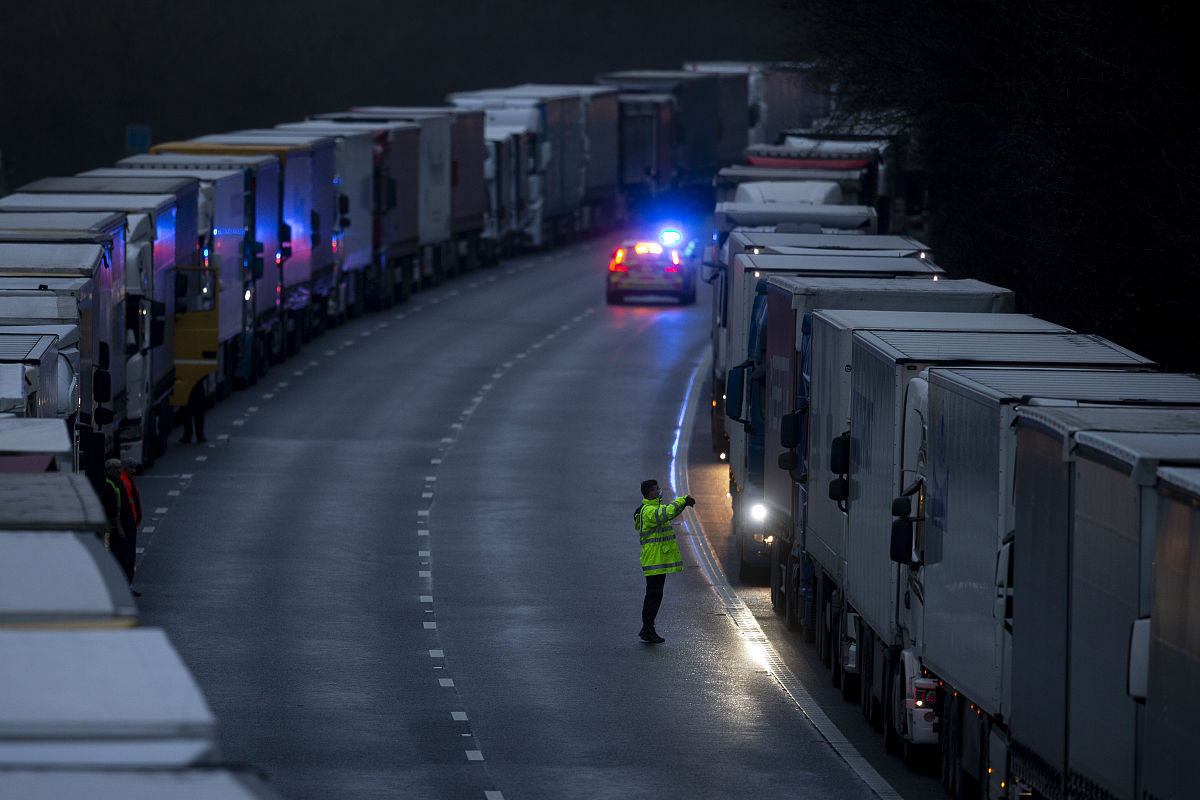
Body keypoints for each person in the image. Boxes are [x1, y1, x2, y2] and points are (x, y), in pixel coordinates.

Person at [635, 479, 694, 643]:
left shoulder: (653, 508)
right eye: (656, 489)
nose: (659, 491)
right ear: (649, 493)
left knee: (655, 595)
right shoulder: (648, 511)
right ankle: (647, 629)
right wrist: (682, 500)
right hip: (653, 561)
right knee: (653, 595)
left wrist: (683, 504)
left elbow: (669, 511)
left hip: (656, 561)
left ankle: (647, 628)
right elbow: (666, 513)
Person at [105, 458, 140, 596]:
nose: (118, 470)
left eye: (119, 468)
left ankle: (127, 587)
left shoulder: (122, 482)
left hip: (129, 525)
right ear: (107, 470)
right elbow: (113, 510)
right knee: (123, 560)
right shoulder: (110, 485)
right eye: (115, 468)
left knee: (129, 559)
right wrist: (119, 527)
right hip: (121, 528)